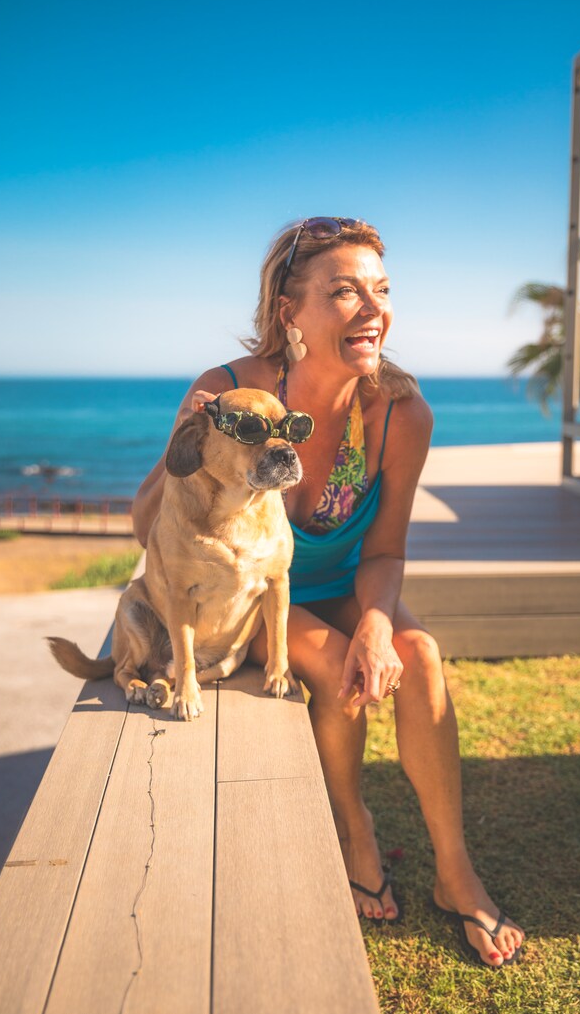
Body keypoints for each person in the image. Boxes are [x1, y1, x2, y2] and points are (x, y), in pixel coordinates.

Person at [132, 217, 525, 968]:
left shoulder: (401, 415)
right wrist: (182, 450)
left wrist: (379, 621)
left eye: (380, 290)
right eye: (344, 291)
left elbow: (383, 549)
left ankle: (454, 869)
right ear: (290, 310)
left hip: (342, 581)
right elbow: (146, 526)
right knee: (338, 668)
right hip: (245, 594)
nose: (372, 308)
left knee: (417, 649)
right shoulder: (229, 393)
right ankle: (355, 827)